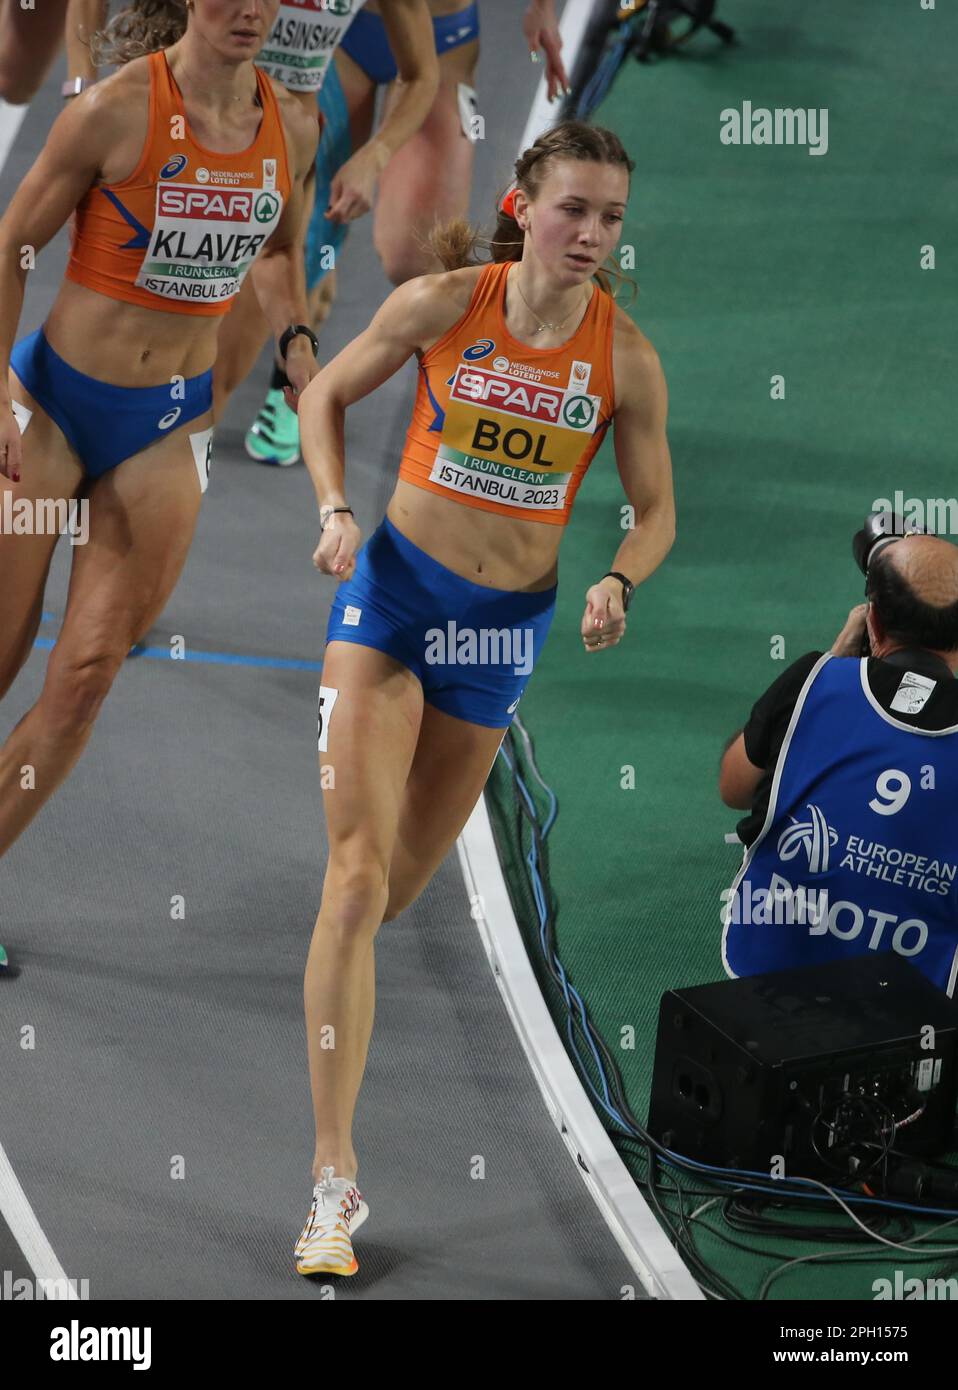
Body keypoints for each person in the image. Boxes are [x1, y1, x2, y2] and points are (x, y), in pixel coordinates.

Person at [291, 119, 675, 1275]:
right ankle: (331, 1179)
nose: (591, 233)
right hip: (393, 604)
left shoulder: (626, 359)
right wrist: (333, 510)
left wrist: (617, 575)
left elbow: (654, 510)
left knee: (397, 888)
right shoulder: (441, 304)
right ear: (521, 204)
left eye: (610, 216)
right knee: (354, 884)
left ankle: (337, 964)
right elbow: (323, 397)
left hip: (501, 636)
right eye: (572, 209)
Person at [0, 0, 319, 971]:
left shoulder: (291, 128)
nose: (249, 11)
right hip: (50, 413)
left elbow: (275, 253)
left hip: (168, 426)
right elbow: (12, 245)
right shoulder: (114, 111)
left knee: (88, 675)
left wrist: (299, 346)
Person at [244, 0, 571, 466]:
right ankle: (294, 386)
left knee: (418, 257)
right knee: (310, 220)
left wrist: (541, 9)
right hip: (345, 32)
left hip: (440, 41)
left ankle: (460, 394)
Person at [720, 534, 958, 996]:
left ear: (871, 620)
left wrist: (829, 665)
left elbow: (735, 788)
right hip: (917, 1005)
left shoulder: (815, 681)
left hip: (767, 969)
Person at [211, 0, 440, 422]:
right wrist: (84, 81)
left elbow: (423, 73)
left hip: (291, 139)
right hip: (203, 128)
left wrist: (374, 157)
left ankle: (288, 384)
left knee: (221, 366)